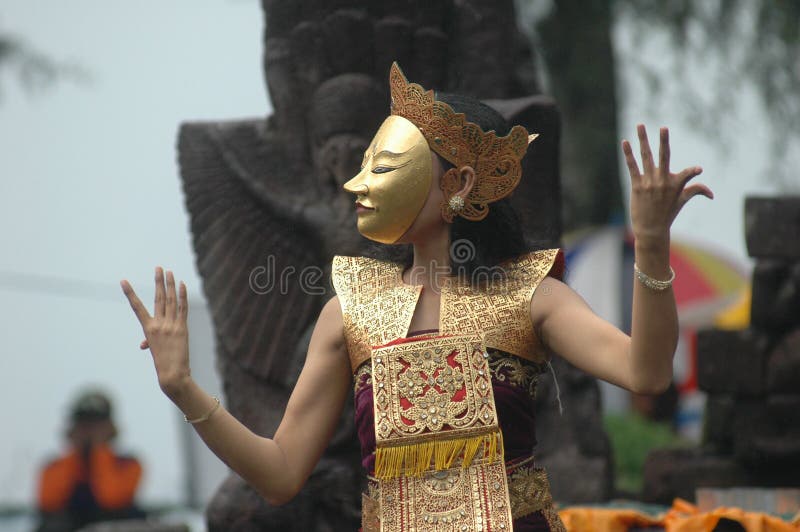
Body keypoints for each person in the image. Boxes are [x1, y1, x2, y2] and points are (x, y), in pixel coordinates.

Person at [121, 63, 713, 530]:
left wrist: (653, 245)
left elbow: (648, 372)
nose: (359, 184)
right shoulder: (348, 313)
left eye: (386, 166)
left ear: (457, 185)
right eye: (365, 167)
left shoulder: (532, 296)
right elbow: (278, 475)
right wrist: (184, 390)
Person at [36, 389, 144, 532]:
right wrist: (75, 450)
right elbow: (49, 503)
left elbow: (113, 499)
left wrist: (100, 450)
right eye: (84, 423)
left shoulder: (129, 464)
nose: (90, 429)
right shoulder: (53, 466)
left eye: (97, 423)